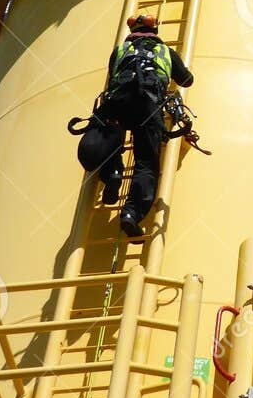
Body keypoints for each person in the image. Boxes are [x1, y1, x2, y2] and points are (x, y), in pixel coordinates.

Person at [77, 14, 194, 238]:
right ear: (155, 32)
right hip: (147, 105)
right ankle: (131, 214)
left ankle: (112, 171)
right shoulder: (166, 52)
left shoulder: (120, 51)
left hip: (116, 102)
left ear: (132, 33)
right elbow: (187, 80)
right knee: (146, 162)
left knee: (108, 135)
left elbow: (113, 75)